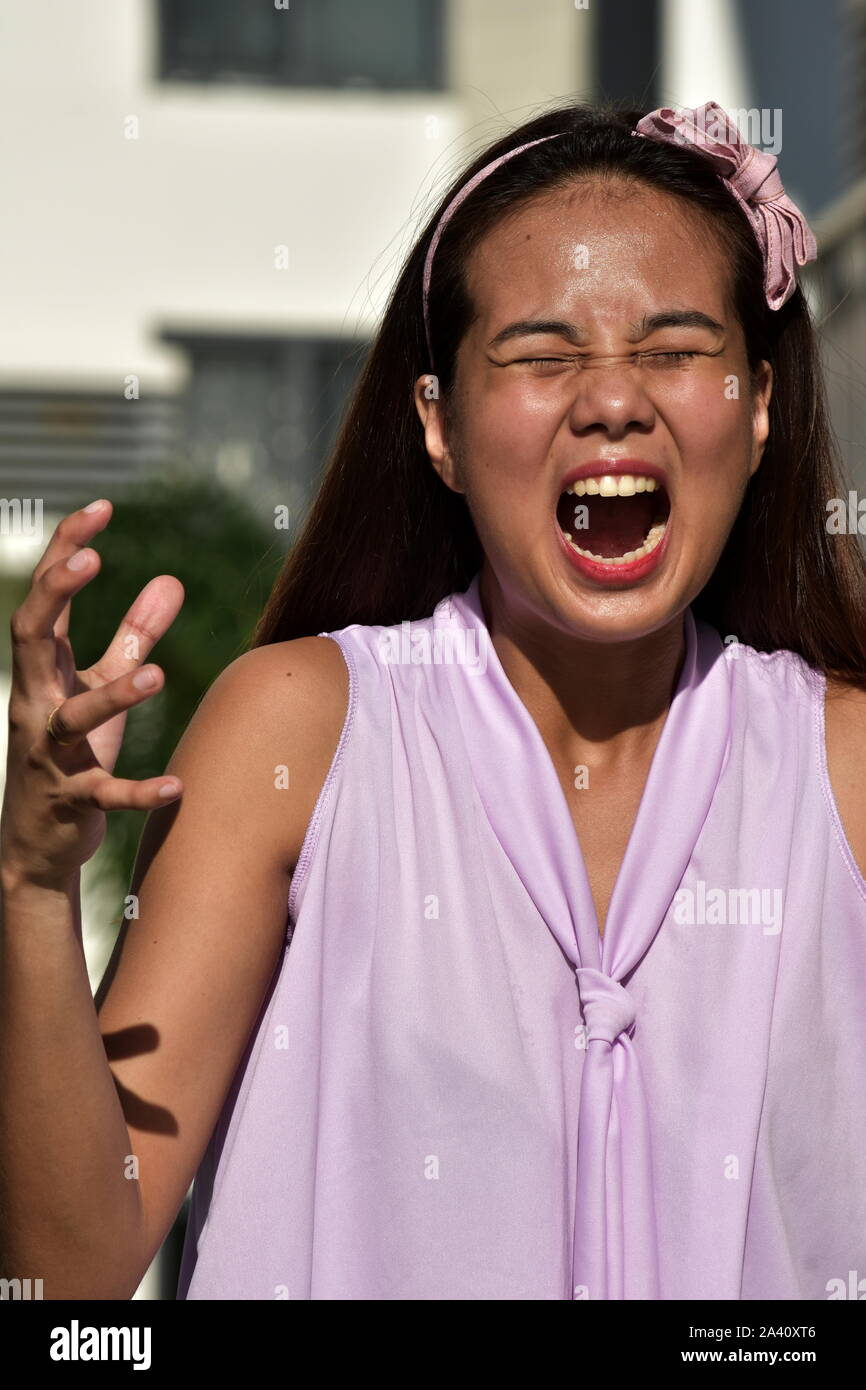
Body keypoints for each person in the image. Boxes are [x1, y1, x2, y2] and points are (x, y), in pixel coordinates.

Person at [2, 99, 866, 1302]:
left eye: (673, 349)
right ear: (438, 426)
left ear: (760, 404)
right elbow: (65, 1274)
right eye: (541, 352)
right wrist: (34, 884)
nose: (611, 399)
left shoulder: (845, 768)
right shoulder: (297, 732)